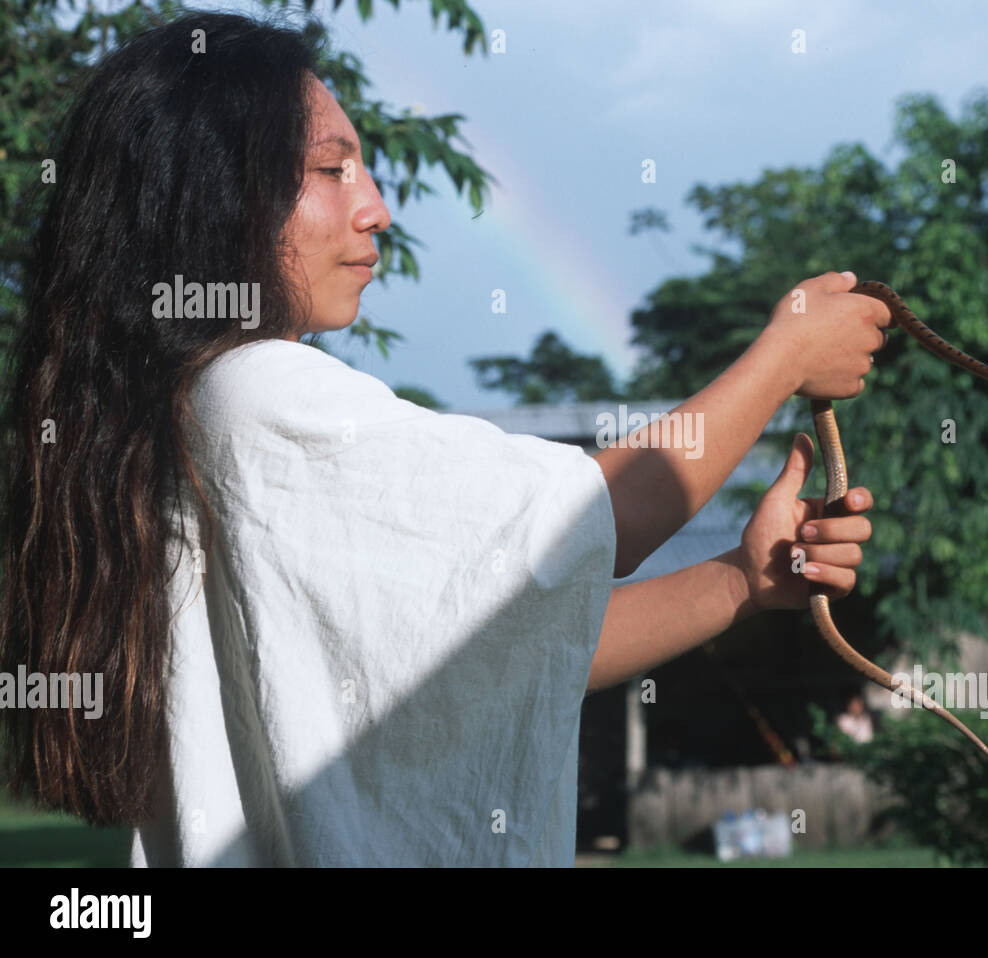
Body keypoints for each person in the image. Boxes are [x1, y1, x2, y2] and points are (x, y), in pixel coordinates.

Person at [0, 11, 890, 866]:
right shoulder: (252, 392)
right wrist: (785, 356)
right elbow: (590, 523)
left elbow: (514, 636)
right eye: (331, 168)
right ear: (214, 188)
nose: (377, 209)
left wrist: (742, 581)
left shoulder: (168, 419)